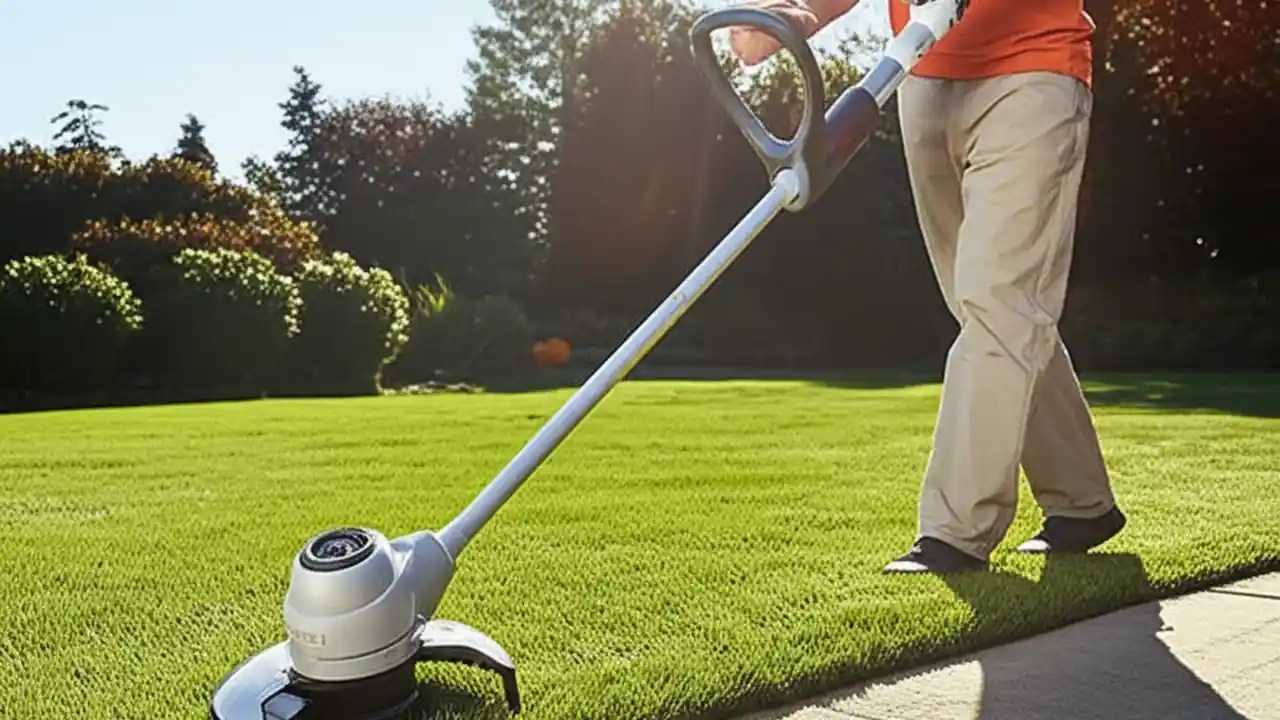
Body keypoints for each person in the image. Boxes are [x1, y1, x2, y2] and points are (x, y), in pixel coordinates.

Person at [728, 0, 1127, 573]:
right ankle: (1082, 500)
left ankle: (954, 532)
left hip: (1032, 71)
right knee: (991, 309)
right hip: (924, 74)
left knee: (999, 300)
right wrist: (804, 12)